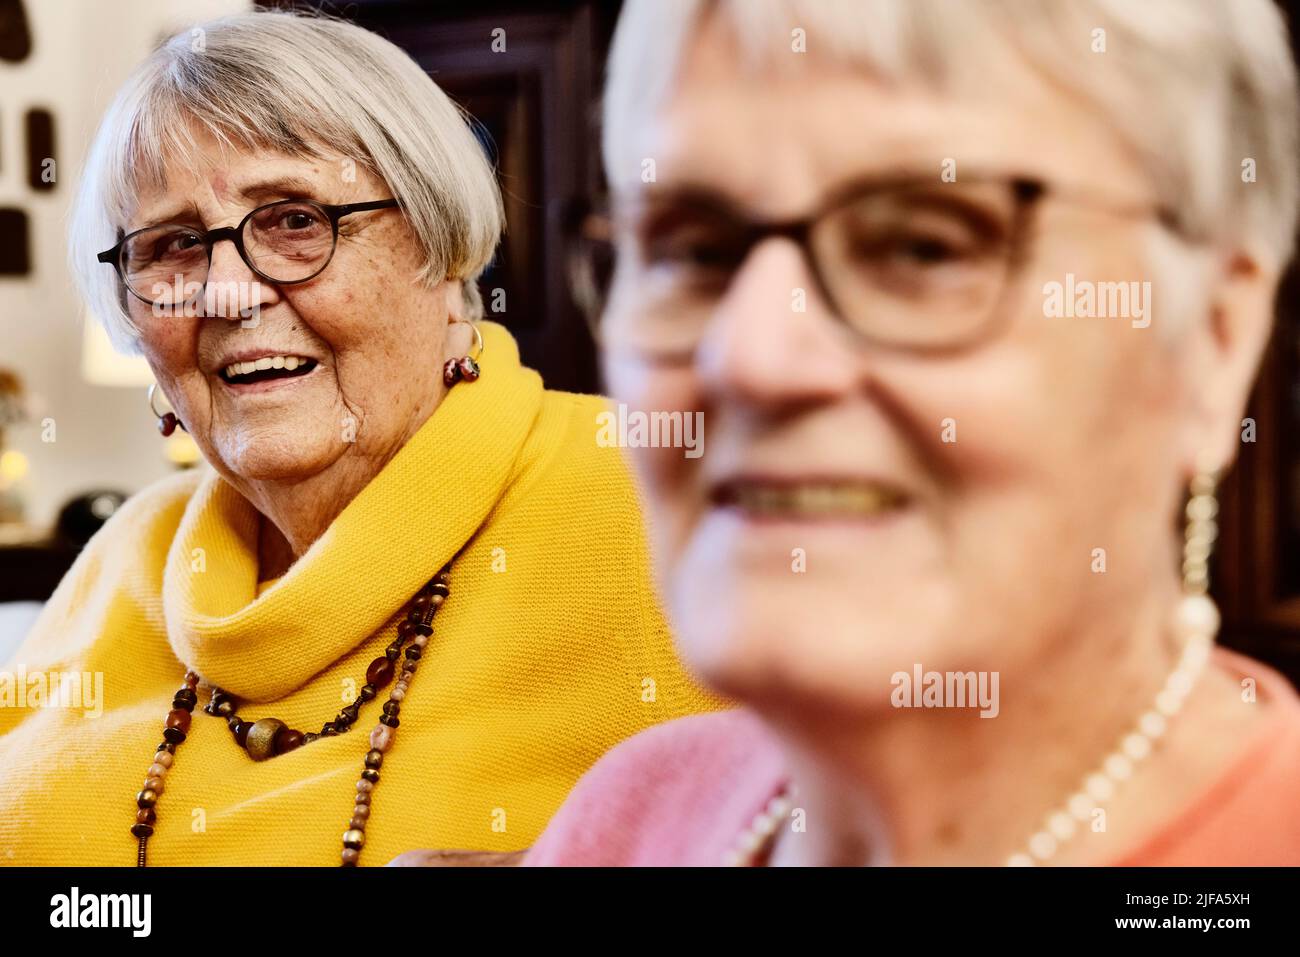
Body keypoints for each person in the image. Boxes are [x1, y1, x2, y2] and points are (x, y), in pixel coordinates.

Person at [527, 0, 1300, 866]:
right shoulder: (629, 821)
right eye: (693, 250)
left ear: (1213, 342)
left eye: (924, 248)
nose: (751, 355)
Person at [0, 10, 722, 867]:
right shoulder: (125, 556)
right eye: (176, 245)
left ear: (443, 251)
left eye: (296, 219)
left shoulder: (666, 502)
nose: (228, 294)